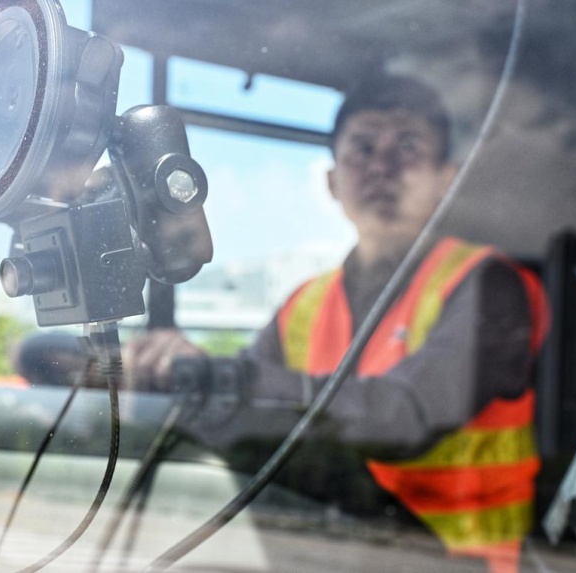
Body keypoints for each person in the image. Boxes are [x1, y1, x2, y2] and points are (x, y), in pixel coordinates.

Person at [124, 73, 549, 573]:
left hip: (461, 560)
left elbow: (406, 416)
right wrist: (162, 370)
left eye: (407, 147)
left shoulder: (489, 285)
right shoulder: (304, 303)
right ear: (332, 180)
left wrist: (226, 379)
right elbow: (241, 397)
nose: (381, 167)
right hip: (338, 548)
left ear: (445, 178)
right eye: (362, 148)